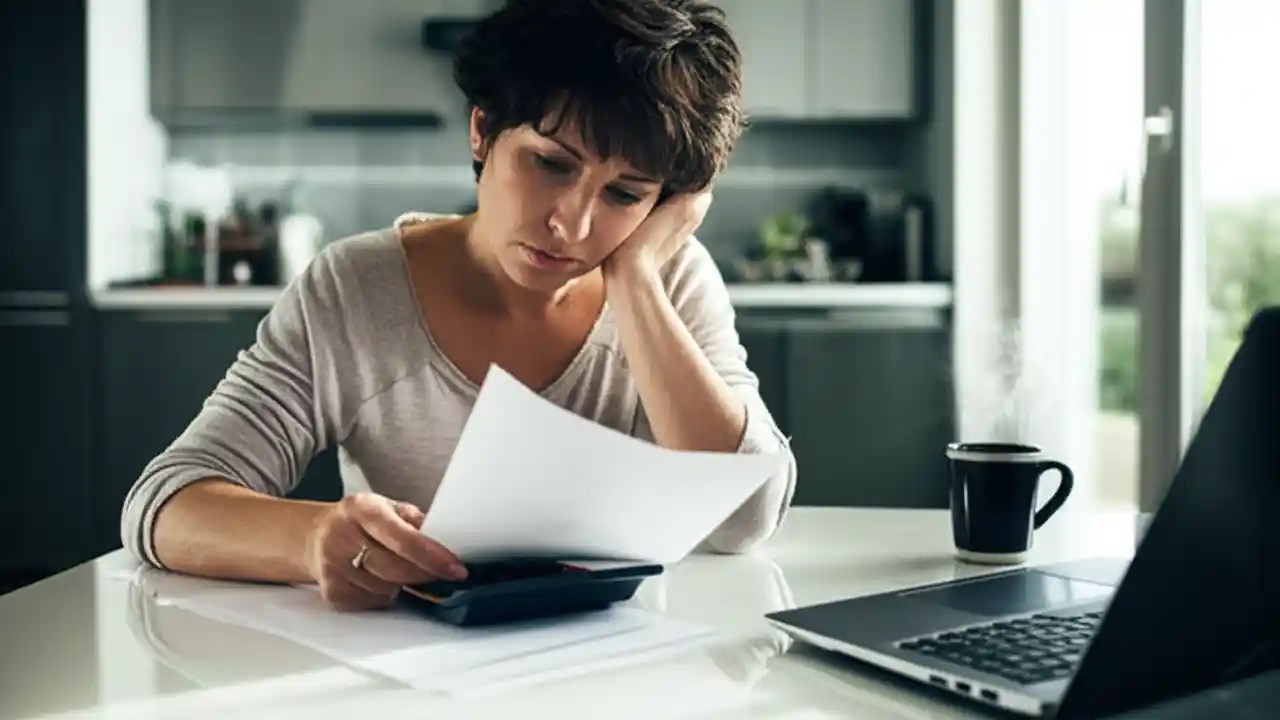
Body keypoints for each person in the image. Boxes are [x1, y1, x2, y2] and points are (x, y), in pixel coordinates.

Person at [120, 0, 797, 611]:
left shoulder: (668, 282)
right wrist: (312, 536)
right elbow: (164, 505)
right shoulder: (356, 288)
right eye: (550, 164)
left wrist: (638, 281)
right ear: (482, 132)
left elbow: (745, 517)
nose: (574, 224)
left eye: (625, 194)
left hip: (620, 674)